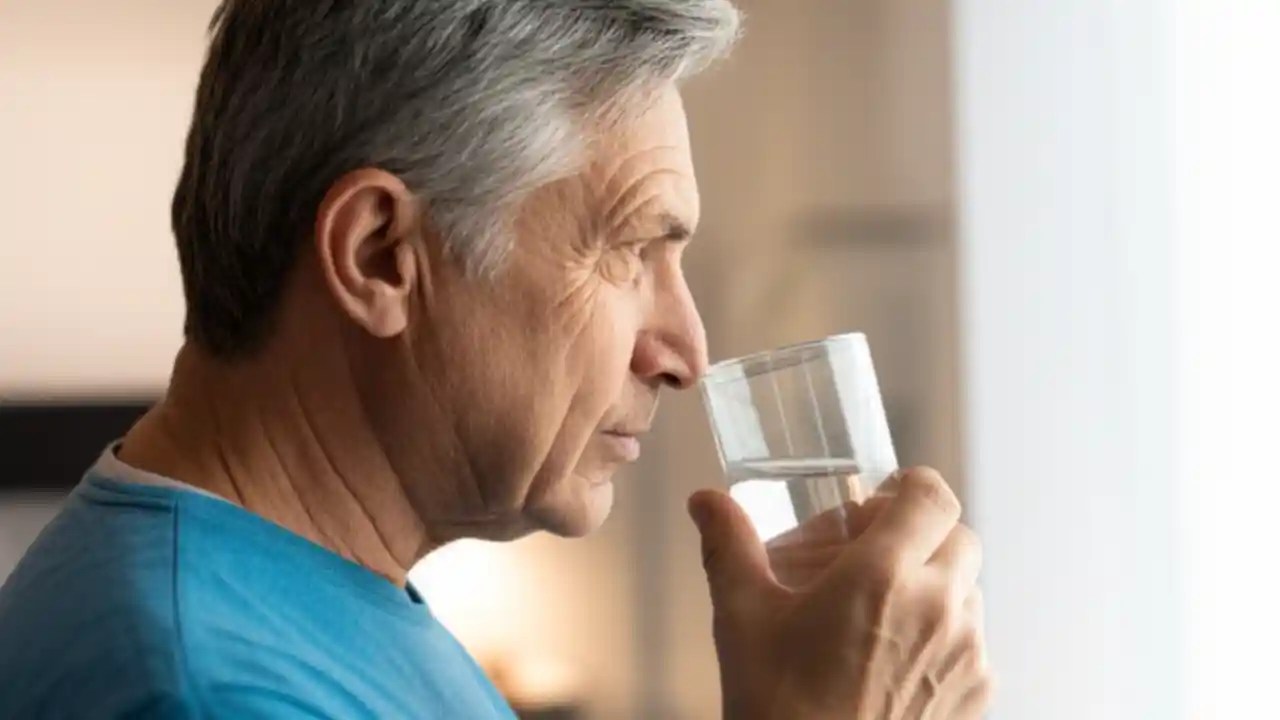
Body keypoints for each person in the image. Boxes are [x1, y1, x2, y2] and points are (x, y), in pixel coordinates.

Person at [0, 1, 992, 718]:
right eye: (626, 250)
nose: (686, 352)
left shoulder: (318, 601)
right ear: (379, 255)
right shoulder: (209, 691)